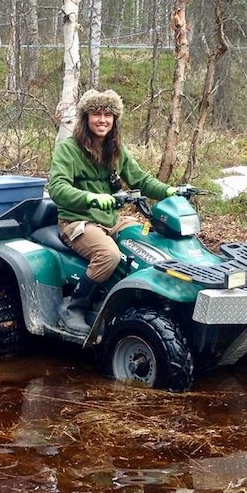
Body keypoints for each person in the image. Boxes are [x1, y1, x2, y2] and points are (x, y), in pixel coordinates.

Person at [47, 89, 176, 333]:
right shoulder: (69, 149)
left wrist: (170, 192)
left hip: (112, 220)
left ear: (115, 119)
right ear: (85, 118)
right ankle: (74, 307)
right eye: (96, 114)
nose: (102, 120)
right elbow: (57, 188)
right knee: (109, 255)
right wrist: (91, 198)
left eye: (108, 114)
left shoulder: (116, 149)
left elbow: (141, 180)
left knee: (149, 243)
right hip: (77, 221)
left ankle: (149, 301)